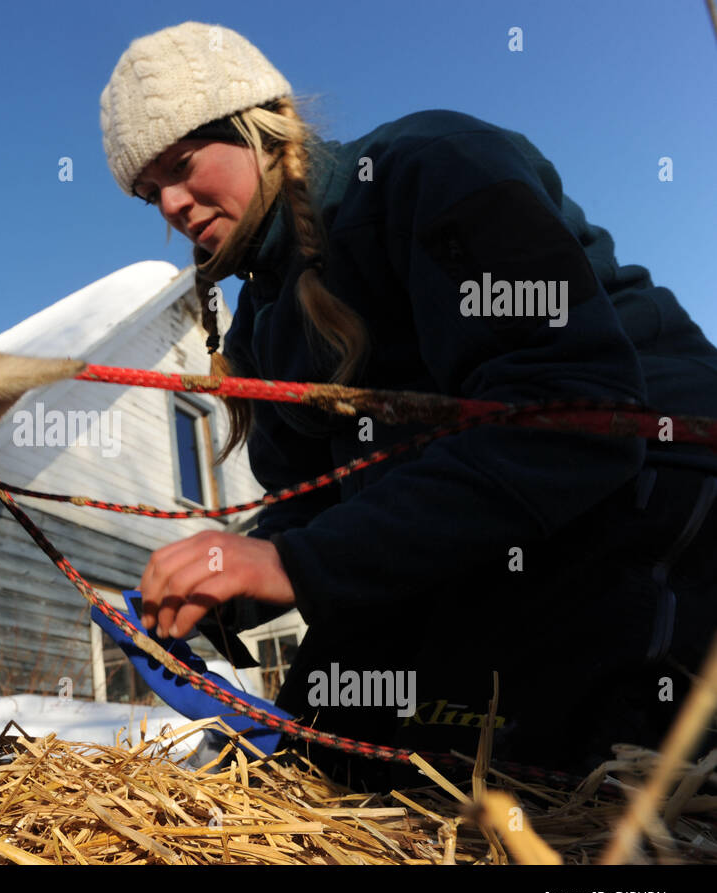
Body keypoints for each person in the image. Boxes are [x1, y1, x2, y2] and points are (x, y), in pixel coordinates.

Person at [100, 21, 717, 789]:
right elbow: (315, 507)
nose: (171, 204)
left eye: (184, 166)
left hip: (648, 476)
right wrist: (226, 586)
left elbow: (573, 415)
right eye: (147, 191)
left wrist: (296, 563)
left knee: (528, 769)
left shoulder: (429, 167)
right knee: (321, 753)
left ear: (261, 125)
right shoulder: (263, 321)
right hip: (489, 519)